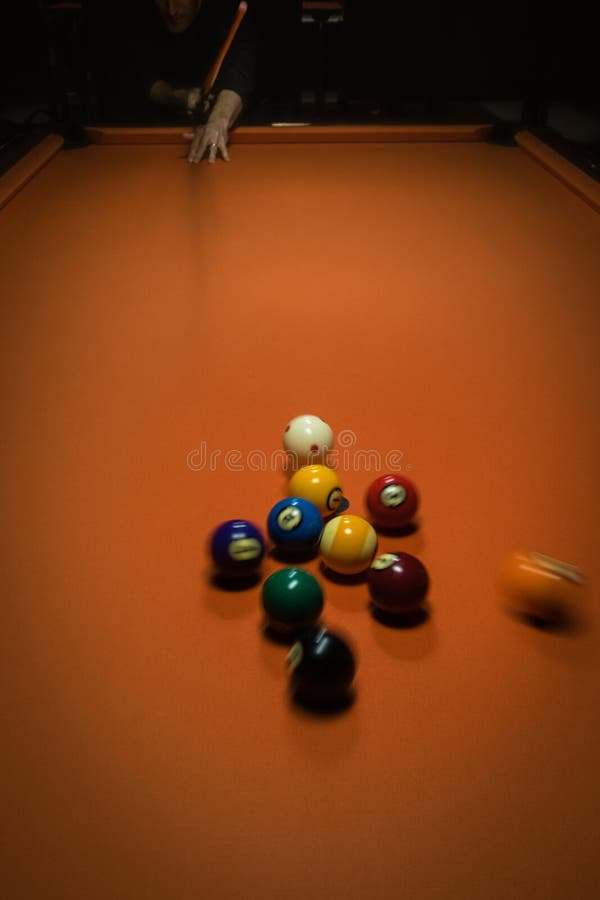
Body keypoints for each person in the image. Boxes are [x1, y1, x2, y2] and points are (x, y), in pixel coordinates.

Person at [145, 0, 257, 163]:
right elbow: (143, 78)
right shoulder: (143, 20)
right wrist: (179, 97)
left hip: (242, 119)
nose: (171, 11)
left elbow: (239, 74)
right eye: (163, 1)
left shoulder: (227, 14)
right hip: (157, 127)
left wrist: (219, 119)